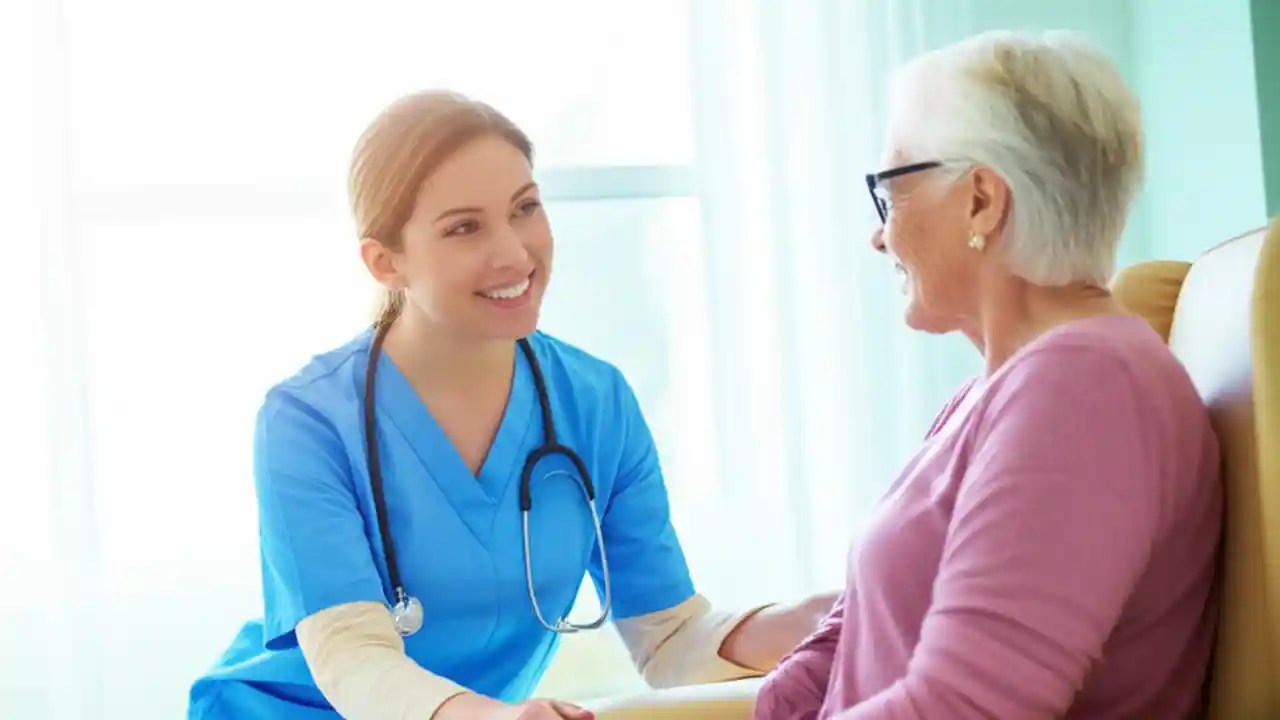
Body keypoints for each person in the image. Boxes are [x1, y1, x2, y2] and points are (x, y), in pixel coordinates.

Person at [187, 90, 835, 720]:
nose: (515, 252)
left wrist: (815, 621)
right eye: (464, 227)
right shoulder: (306, 421)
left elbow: (669, 639)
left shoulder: (595, 402)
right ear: (385, 262)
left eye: (525, 208)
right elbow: (353, 656)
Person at [755, 30, 1222, 719]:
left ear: (980, 201)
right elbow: (853, 642)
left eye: (889, 190)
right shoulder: (1004, 390)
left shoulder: (1084, 390)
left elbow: (967, 707)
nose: (878, 235)